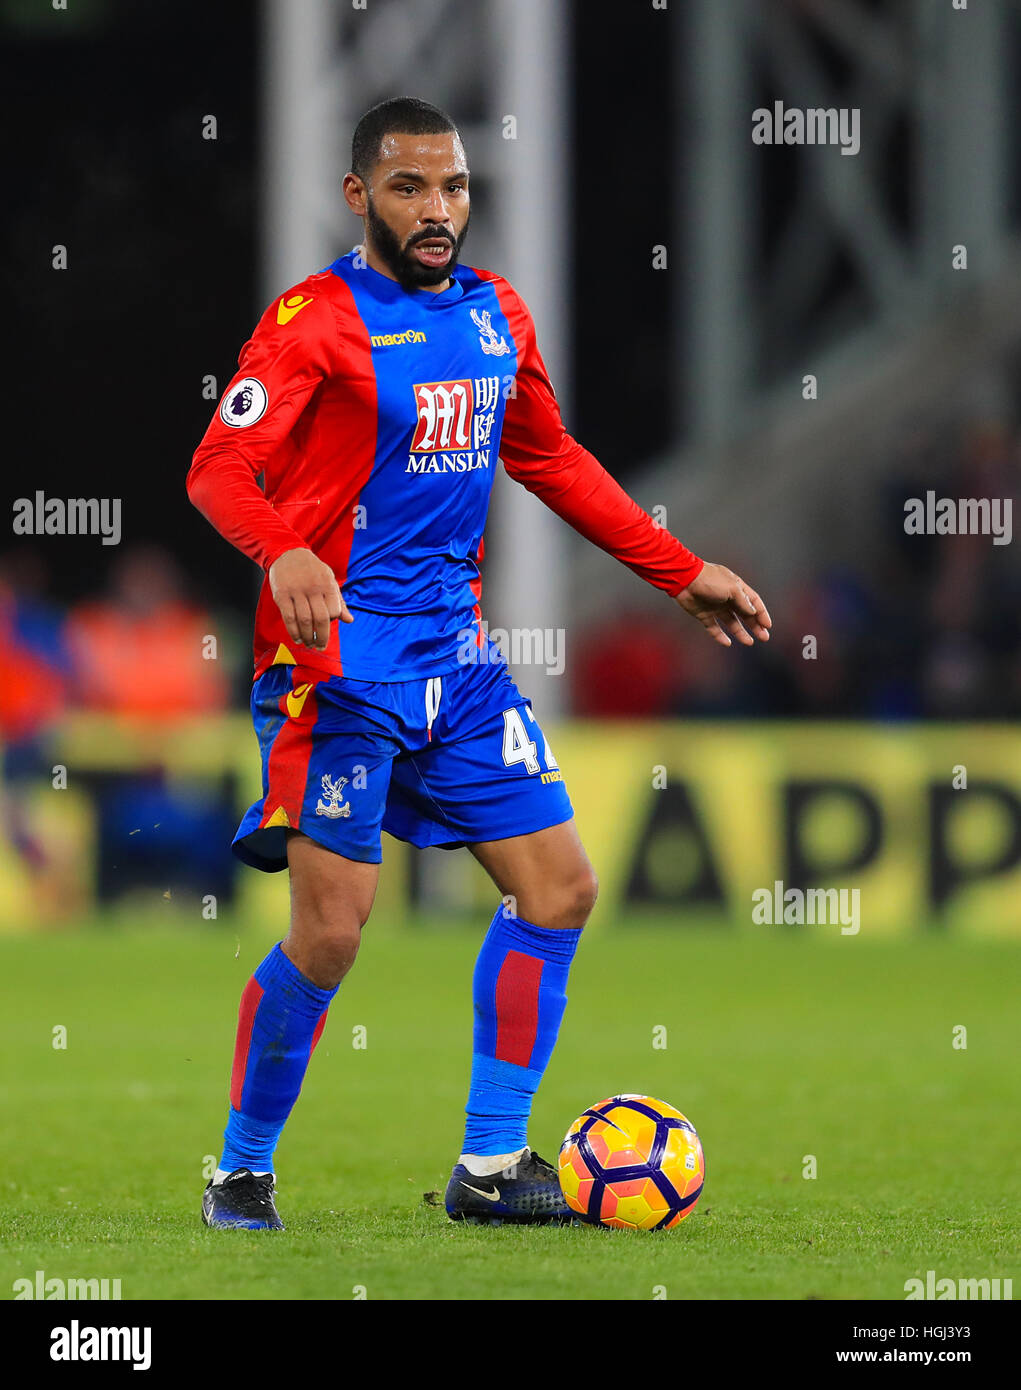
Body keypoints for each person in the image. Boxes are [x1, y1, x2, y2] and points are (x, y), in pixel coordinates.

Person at [187, 97, 770, 1230]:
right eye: (409, 187)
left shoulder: (497, 313)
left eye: (453, 186)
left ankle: (492, 1167)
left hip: (459, 670)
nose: (439, 208)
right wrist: (286, 547)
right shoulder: (315, 319)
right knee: (331, 932)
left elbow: (549, 457)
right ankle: (240, 1167)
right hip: (338, 674)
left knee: (560, 888)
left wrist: (677, 568)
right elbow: (218, 468)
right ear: (360, 197)